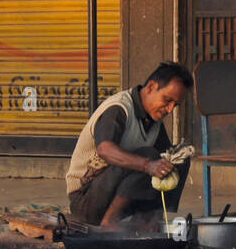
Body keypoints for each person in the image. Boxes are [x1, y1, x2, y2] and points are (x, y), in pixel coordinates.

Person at [66, 62, 193, 229]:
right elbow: (105, 149)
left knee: (177, 158)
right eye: (167, 100)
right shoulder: (119, 108)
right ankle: (109, 222)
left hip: (118, 198)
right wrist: (148, 165)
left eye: (175, 105)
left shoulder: (154, 122)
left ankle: (149, 217)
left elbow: (166, 159)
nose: (170, 110)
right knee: (148, 155)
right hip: (87, 201)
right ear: (151, 87)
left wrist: (167, 164)